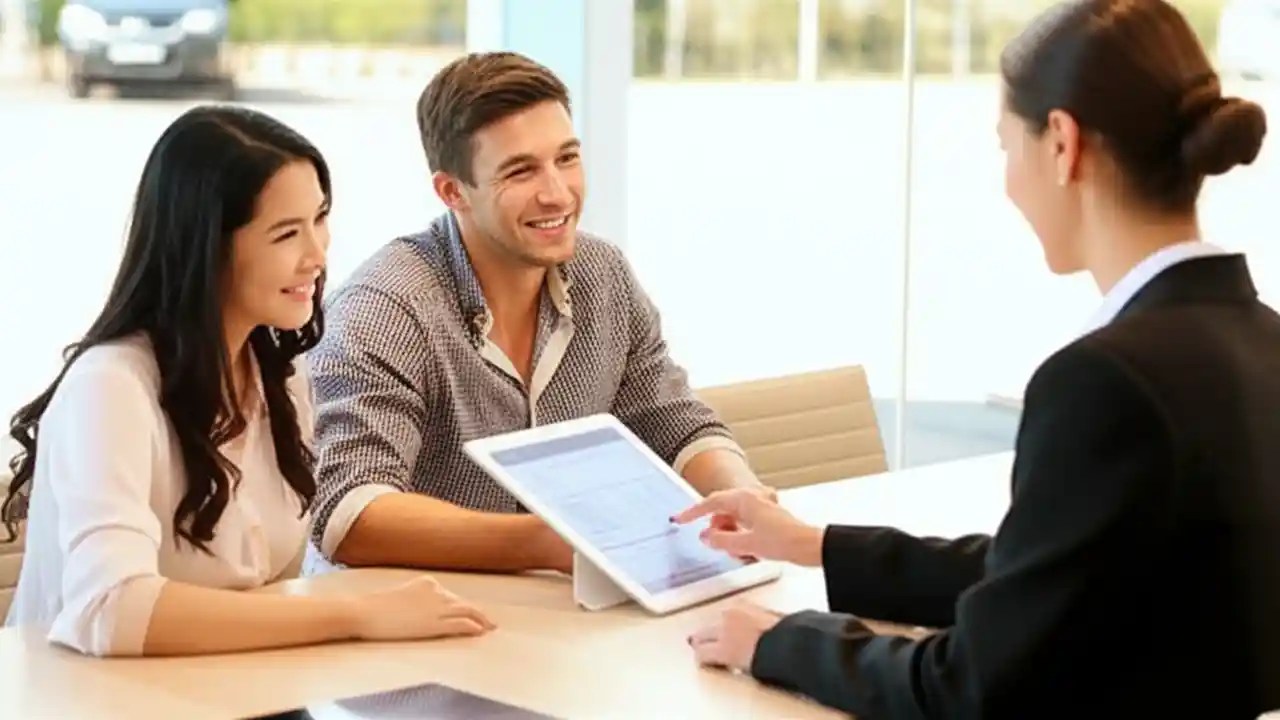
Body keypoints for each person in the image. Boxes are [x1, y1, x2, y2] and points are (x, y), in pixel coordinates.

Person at [674, 1, 1280, 717]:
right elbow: (1045, 574)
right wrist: (814, 544)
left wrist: (780, 641)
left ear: (1062, 143)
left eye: (1005, 147)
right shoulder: (1259, 340)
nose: (1007, 181)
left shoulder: (1105, 381)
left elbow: (974, 687)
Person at [2, 105, 493, 658]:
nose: (317, 255)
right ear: (207, 246)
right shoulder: (111, 386)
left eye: (320, 218)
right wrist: (354, 614)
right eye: (286, 234)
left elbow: (270, 588)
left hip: (232, 693)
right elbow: (109, 610)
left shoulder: (277, 375)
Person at [304, 51, 771, 576]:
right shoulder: (387, 308)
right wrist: (550, 544)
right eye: (521, 171)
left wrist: (741, 493)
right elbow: (349, 514)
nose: (557, 193)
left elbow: (671, 421)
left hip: (549, 614)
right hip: (399, 623)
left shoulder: (602, 273)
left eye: (567, 158)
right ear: (452, 191)